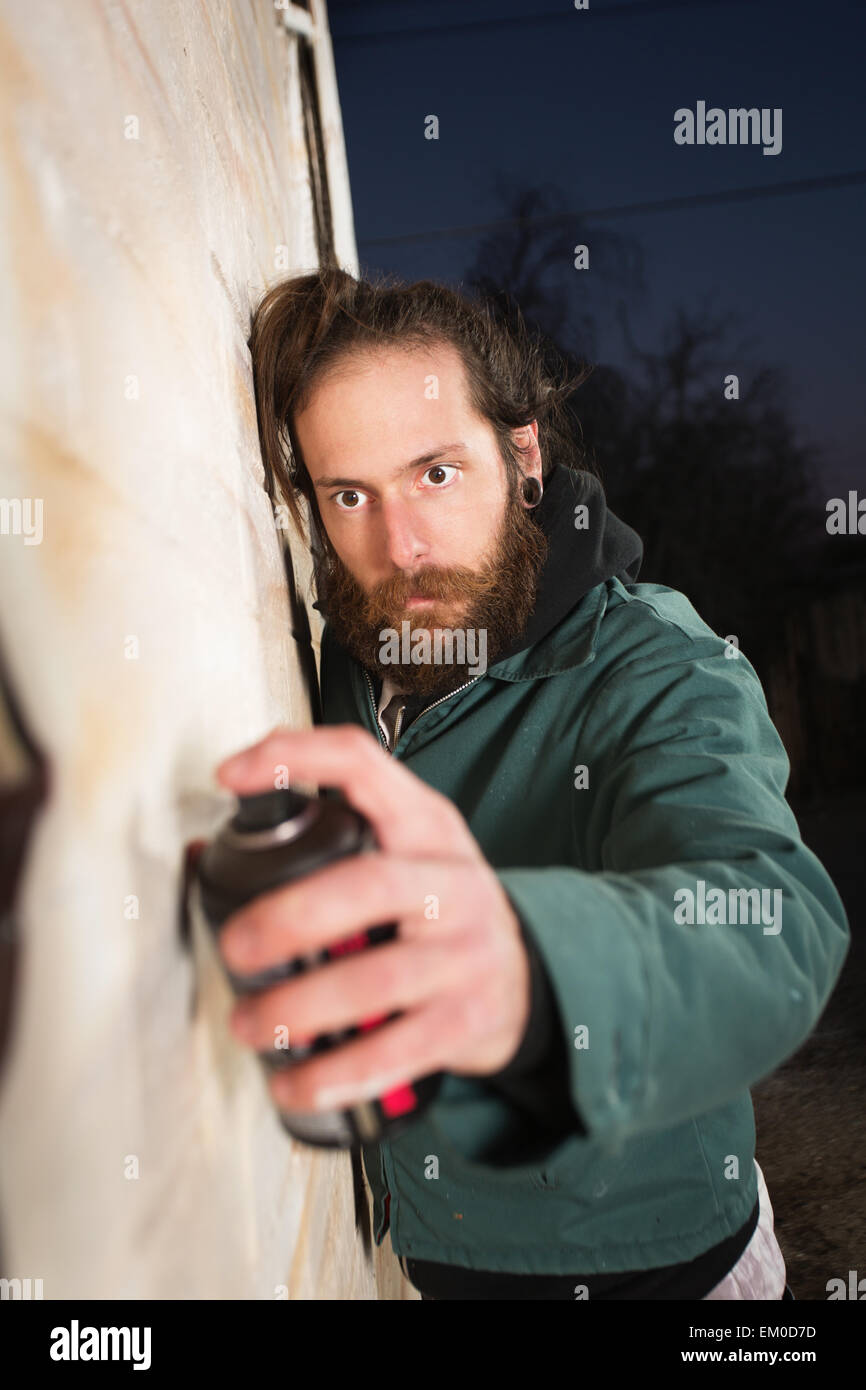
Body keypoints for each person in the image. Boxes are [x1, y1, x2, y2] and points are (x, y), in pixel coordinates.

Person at [215, 266, 849, 1300]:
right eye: (348, 495)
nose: (400, 547)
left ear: (522, 456)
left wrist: (534, 971)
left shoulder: (655, 665)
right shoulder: (341, 664)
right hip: (427, 1266)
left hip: (665, 1273)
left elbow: (770, 922)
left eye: (433, 473)